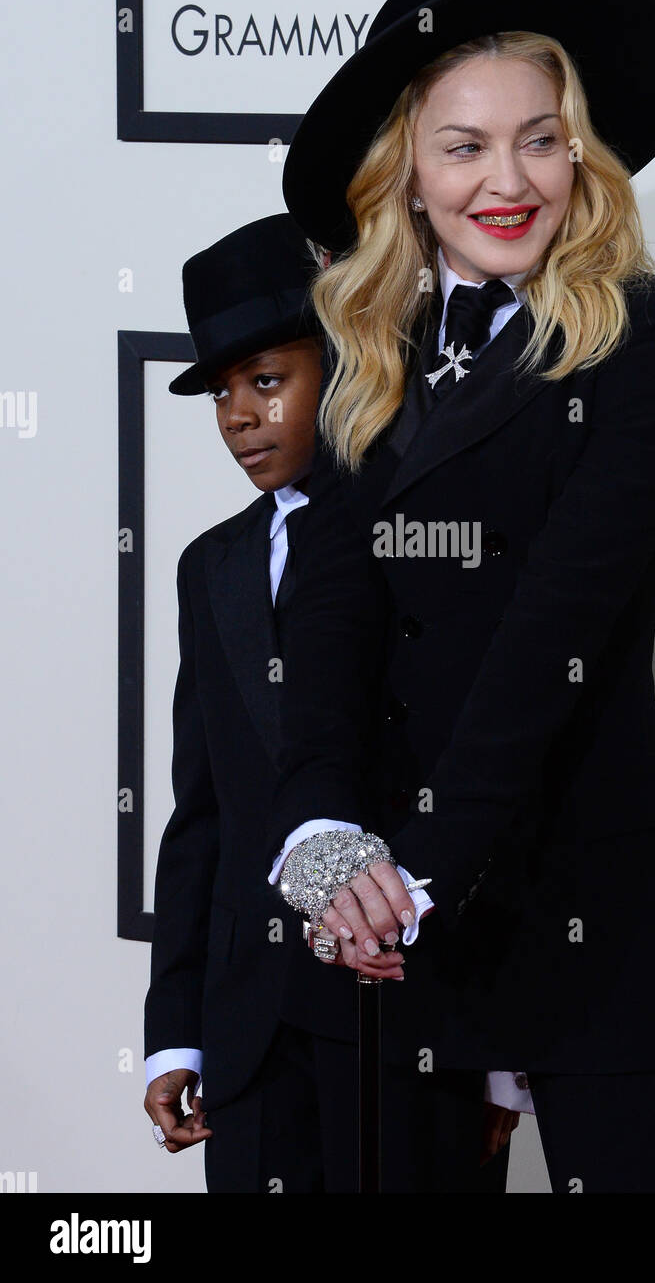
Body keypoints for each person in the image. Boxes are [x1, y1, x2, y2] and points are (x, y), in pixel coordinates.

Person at [269, 0, 655, 1194]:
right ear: (405, 170)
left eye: (540, 140)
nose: (506, 181)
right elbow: (326, 605)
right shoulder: (362, 345)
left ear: (581, 155)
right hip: (373, 924)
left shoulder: (652, 334)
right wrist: (322, 839)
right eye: (464, 146)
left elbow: (556, 627)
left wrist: (416, 870)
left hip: (580, 898)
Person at [141, 212, 516, 1191]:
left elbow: (492, 786)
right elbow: (202, 814)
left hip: (415, 1025)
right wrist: (174, 1034)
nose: (238, 416)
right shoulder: (208, 568)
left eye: (266, 380)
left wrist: (503, 1060)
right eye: (220, 392)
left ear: (344, 366)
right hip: (251, 1039)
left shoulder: (433, 543)